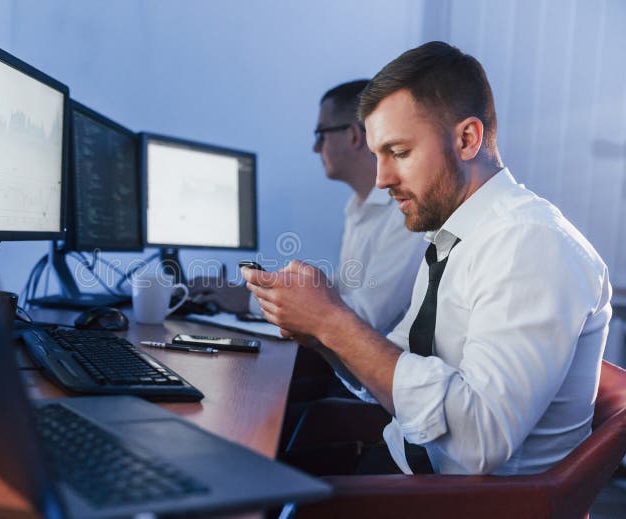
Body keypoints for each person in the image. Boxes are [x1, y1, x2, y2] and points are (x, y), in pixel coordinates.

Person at [243, 41, 612, 476]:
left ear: (467, 139)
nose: (382, 179)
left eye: (399, 153)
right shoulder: (455, 236)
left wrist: (331, 322)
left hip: (465, 502)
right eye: (379, 156)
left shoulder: (530, 243)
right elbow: (397, 358)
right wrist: (319, 331)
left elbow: (478, 440)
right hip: (409, 469)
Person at [190, 80, 424, 339]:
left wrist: (250, 302)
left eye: (321, 135)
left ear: (353, 136)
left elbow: (366, 317)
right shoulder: (358, 207)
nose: (315, 148)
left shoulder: (406, 212)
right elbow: (341, 292)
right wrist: (264, 291)